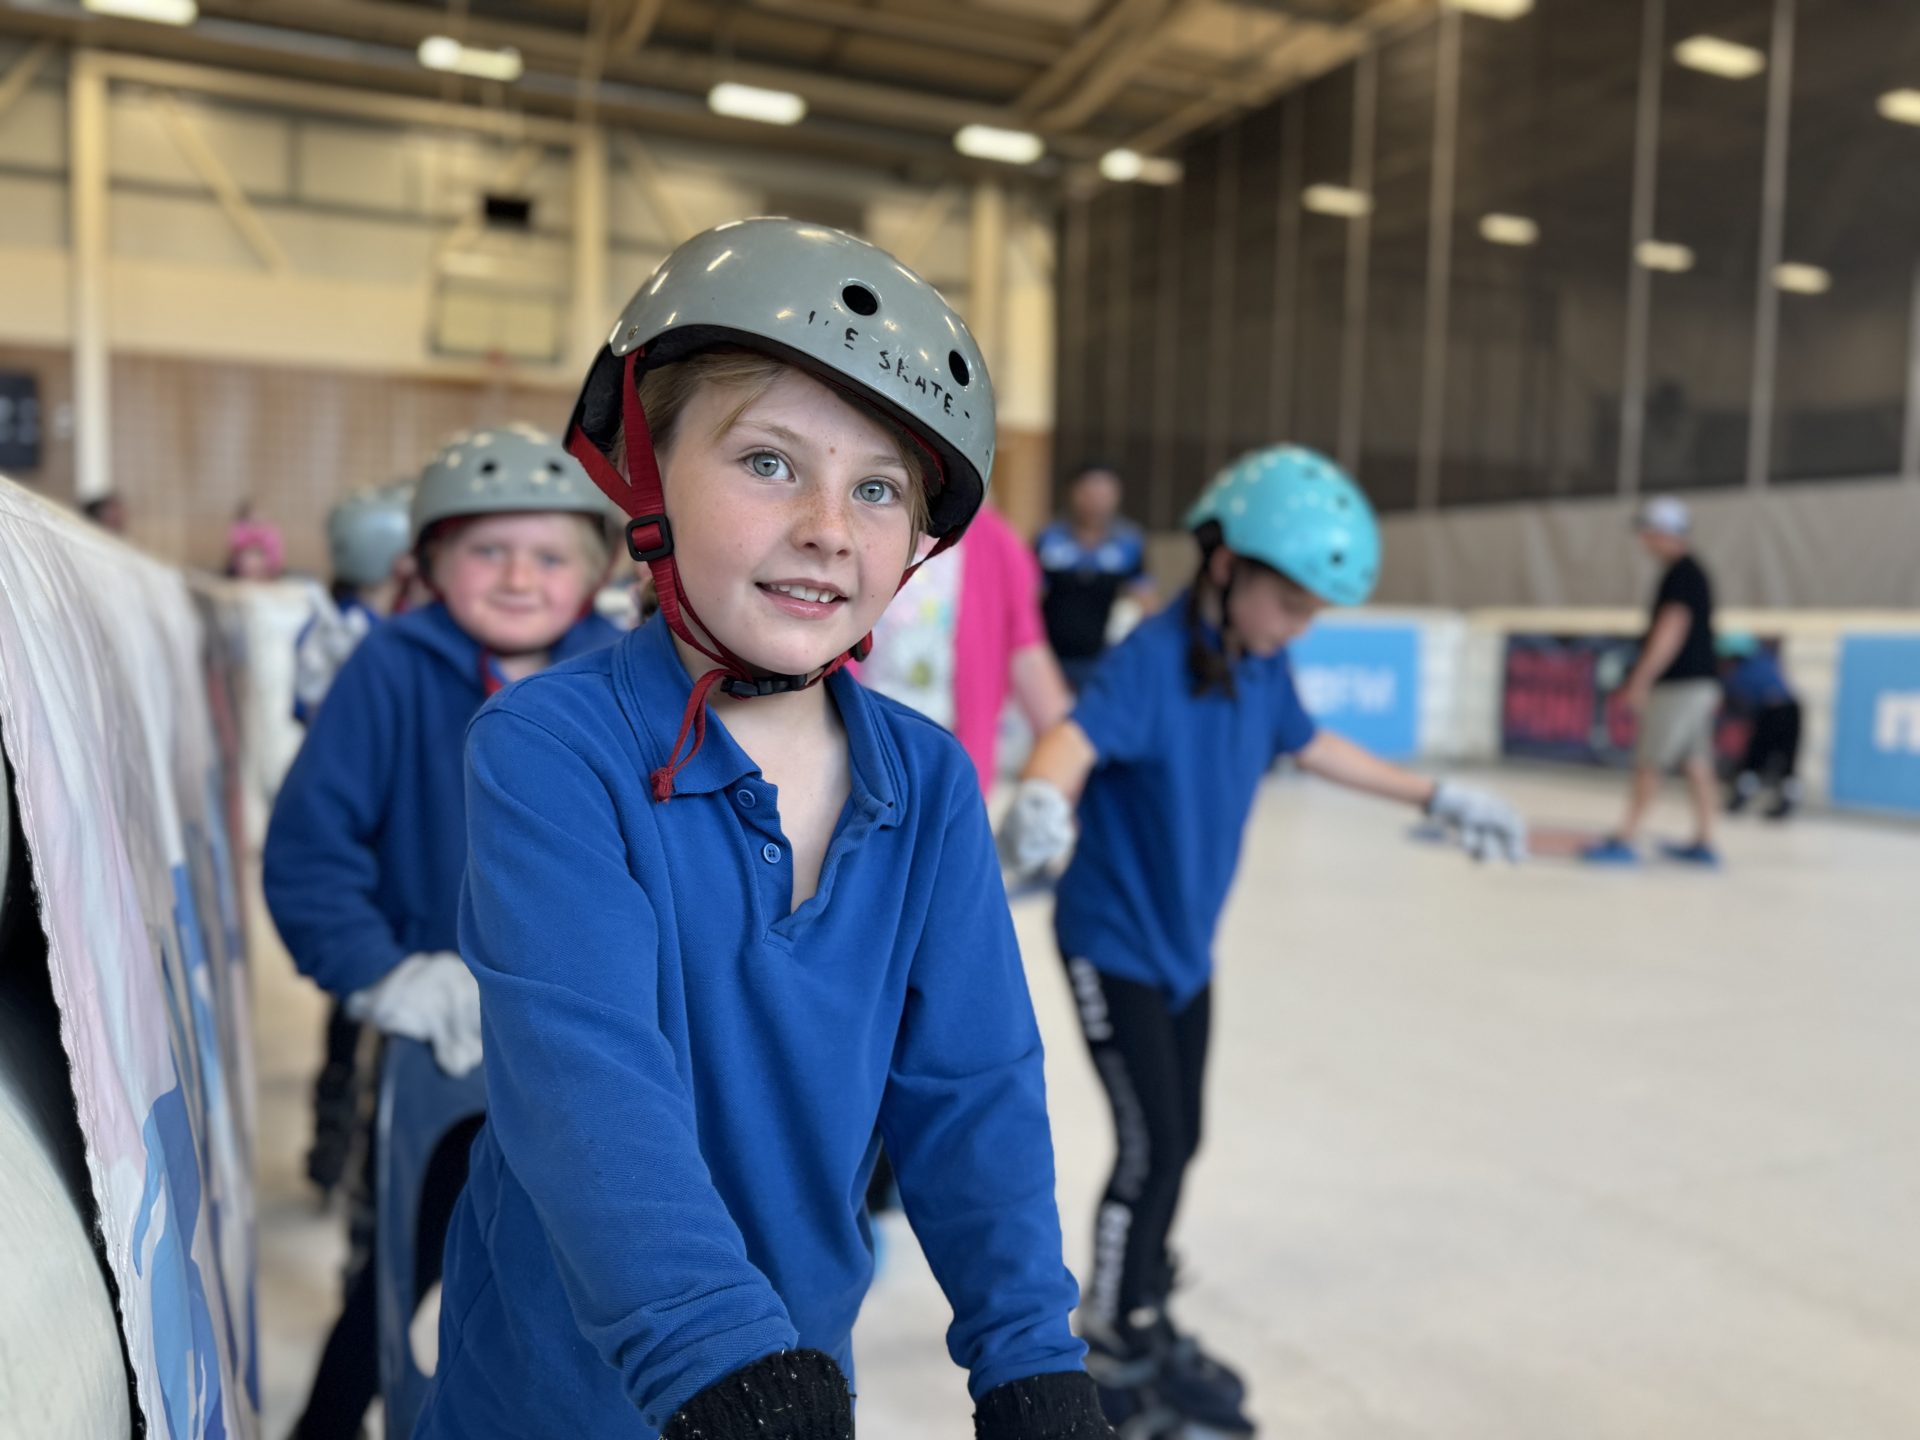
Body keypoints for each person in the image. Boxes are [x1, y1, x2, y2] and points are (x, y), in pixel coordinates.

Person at [415, 219, 1115, 1440]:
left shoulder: (930, 787)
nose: (829, 528)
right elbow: (587, 1082)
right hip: (562, 1400)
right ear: (649, 475)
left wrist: (1030, 1360)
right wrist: (723, 1358)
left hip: (788, 1377)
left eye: (878, 489)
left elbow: (972, 1091)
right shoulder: (549, 748)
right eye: (769, 463)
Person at [998, 445, 1527, 1437]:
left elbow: (1311, 742)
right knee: (1152, 1145)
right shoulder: (1153, 657)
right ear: (1224, 564)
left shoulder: (1259, 660)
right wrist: (1040, 796)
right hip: (1112, 942)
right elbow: (1073, 736)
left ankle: (1143, 1307)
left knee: (1182, 1137)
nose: (1298, 627)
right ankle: (1106, 1342)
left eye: (1309, 612)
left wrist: (1437, 794)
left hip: (1183, 948)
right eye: (1289, 603)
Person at [264, 426, 619, 1440]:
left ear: (595, 570)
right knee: (406, 1266)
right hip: (444, 1049)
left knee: (591, 1268)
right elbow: (310, 847)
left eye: (549, 556)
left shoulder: (628, 680)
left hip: (594, 1045)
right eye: (487, 551)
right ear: (430, 559)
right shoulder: (389, 670)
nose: (518, 577)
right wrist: (381, 974)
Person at [293, 481, 419, 1200]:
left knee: (356, 1031)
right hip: (371, 845)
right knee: (361, 1021)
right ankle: (340, 1157)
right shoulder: (360, 639)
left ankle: (334, 1154)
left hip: (377, 839)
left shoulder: (348, 628)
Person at [862, 500, 1072, 793]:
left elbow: (1029, 658)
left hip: (952, 775)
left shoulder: (993, 541)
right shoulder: (855, 523)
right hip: (860, 763)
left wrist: (1069, 753)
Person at [1583, 496, 1721, 866]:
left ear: (1663, 533)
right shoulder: (1693, 571)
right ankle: (1706, 841)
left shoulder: (1681, 574)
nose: (1643, 541)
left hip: (1680, 685)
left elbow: (1672, 627)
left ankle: (1626, 838)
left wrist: (1641, 678)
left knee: (1650, 760)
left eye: (1647, 532)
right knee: (1697, 762)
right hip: (1701, 683)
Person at [1036, 462, 1155, 691]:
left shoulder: (1128, 543)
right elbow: (1029, 598)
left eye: (1105, 494)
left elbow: (1146, 601)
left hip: (1101, 659)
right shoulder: (1049, 539)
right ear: (1072, 493)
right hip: (1049, 657)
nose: (1096, 501)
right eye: (1089, 492)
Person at [1719, 632, 1801, 820]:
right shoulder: (1765, 660)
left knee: (1755, 758)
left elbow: (1736, 702)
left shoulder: (1737, 674)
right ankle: (1786, 801)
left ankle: (1741, 798)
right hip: (1792, 708)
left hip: (1771, 712)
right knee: (1787, 761)